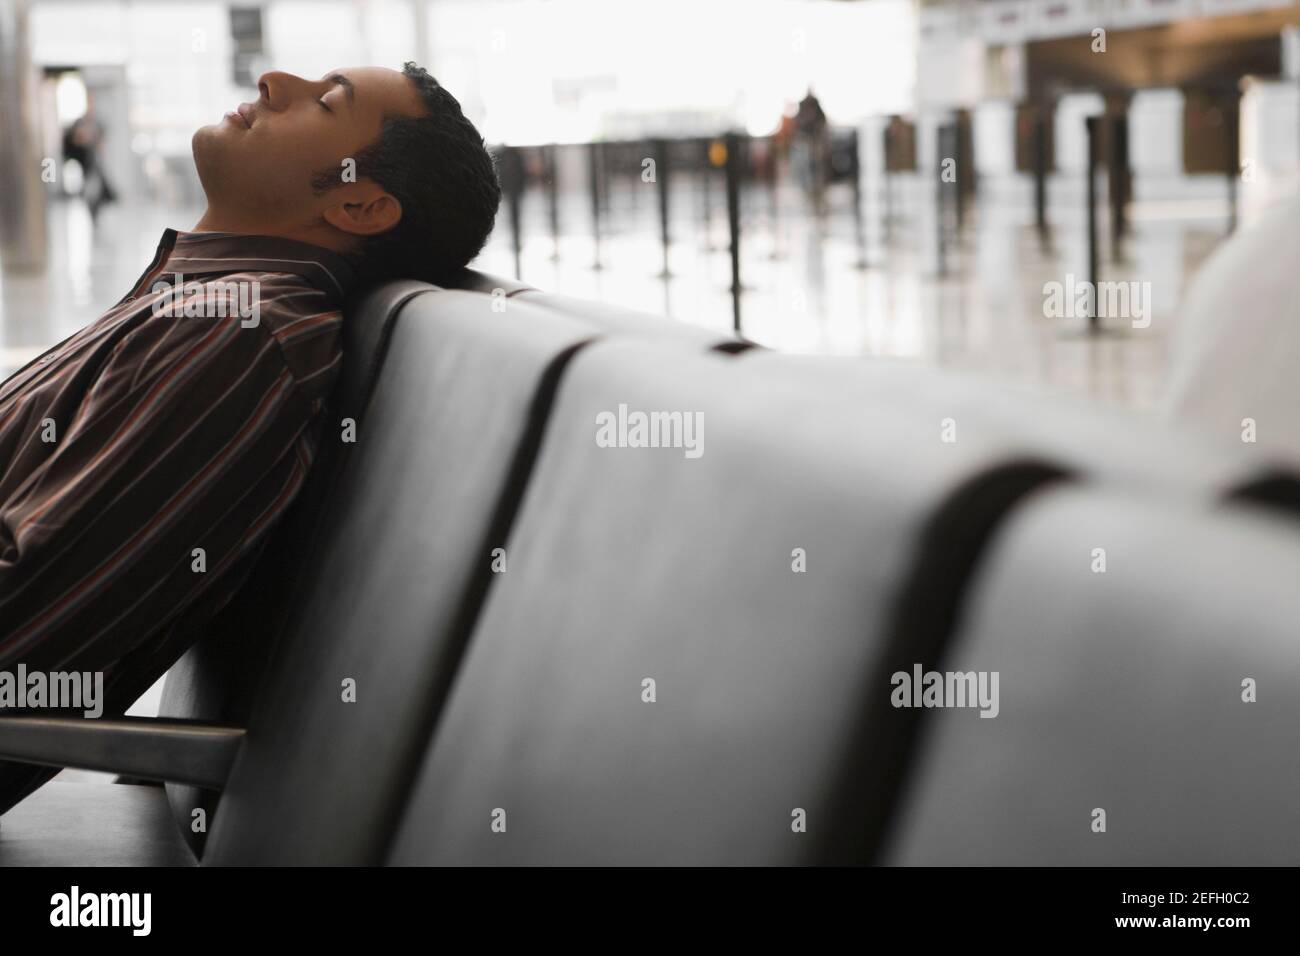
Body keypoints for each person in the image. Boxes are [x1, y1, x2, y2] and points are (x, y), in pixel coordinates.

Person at [0, 62, 501, 813]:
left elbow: (29, 610)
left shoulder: (236, 335)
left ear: (360, 204)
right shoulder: (204, 303)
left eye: (326, 103)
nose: (273, 80)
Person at [62, 101, 118, 222]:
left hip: (93, 175)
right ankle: (95, 219)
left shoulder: (91, 150)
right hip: (88, 175)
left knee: (98, 199)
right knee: (93, 198)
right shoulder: (78, 148)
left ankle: (97, 219)